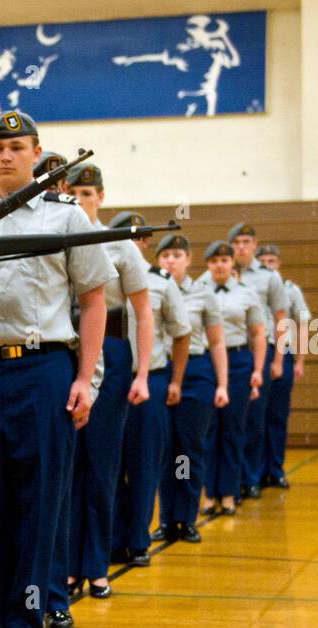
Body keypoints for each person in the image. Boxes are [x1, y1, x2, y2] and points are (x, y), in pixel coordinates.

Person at [0, 110, 116, 628]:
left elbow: (94, 301)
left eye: (17, 147)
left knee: (38, 501)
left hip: (43, 369)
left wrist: (87, 380)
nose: (6, 156)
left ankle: (25, 623)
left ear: (36, 151)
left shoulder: (68, 219)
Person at [50, 164, 152, 611]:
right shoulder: (54, 236)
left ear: (102, 197)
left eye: (90, 193)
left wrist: (144, 372)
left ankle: (96, 565)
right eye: (76, 192)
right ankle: (67, 566)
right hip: (61, 348)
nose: (83, 199)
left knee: (102, 465)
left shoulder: (121, 246)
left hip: (110, 348)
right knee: (67, 467)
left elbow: (143, 312)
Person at [108, 212, 190, 567]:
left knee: (143, 465)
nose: (130, 242)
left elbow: (181, 332)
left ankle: (138, 539)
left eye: (137, 237)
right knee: (108, 466)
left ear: (144, 243)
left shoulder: (160, 282)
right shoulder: (99, 276)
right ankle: (111, 541)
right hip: (109, 380)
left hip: (148, 379)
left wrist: (175, 381)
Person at [153, 233, 228, 541]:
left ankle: (187, 517)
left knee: (189, 449)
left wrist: (223, 384)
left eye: (176, 255)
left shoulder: (203, 293)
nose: (170, 260)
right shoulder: (151, 288)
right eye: (165, 255)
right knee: (163, 449)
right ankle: (167, 519)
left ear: (188, 259)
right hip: (162, 368)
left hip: (196, 373)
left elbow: (217, 341)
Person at [198, 240, 264, 515]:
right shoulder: (197, 291)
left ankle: (229, 492)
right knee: (209, 431)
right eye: (214, 261)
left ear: (232, 263)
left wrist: (258, 370)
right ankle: (210, 494)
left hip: (237, 361)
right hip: (206, 362)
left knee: (233, 430)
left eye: (224, 260)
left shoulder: (247, 293)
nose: (219, 265)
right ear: (208, 265)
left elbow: (259, 334)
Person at [228, 221, 288, 500]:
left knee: (254, 419)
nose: (241, 247)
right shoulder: (221, 273)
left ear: (254, 245)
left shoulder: (268, 278)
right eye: (237, 242)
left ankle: (251, 478)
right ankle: (230, 479)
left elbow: (280, 320)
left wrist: (278, 360)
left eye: (246, 242)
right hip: (230, 353)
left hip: (259, 353)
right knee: (229, 420)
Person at [257, 243, 309, 488]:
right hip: (257, 353)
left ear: (279, 263)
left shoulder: (290, 290)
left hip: (282, 352)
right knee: (255, 417)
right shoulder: (249, 287)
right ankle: (254, 473)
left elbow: (304, 323)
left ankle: (275, 469)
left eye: (272, 260)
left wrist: (299, 360)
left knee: (277, 416)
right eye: (264, 260)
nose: (268, 264)